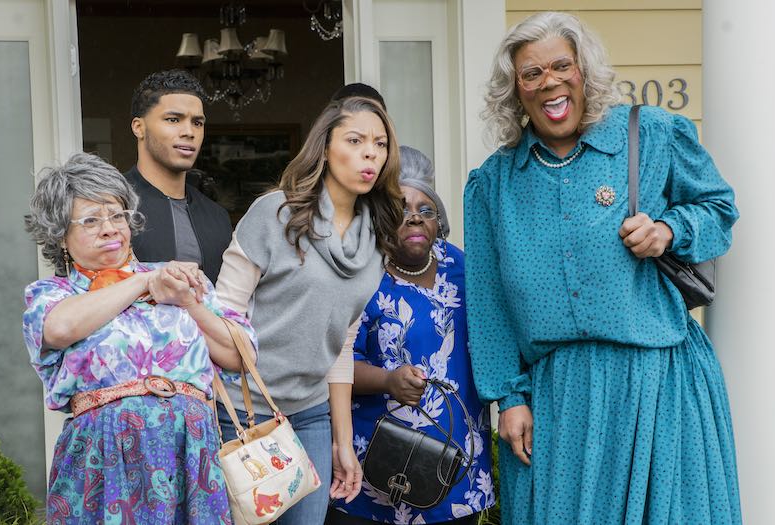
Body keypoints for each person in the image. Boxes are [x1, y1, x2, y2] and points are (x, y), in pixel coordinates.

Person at [465, 12, 741, 525]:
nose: (549, 81)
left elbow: (719, 209)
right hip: (556, 400)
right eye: (531, 73)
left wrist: (668, 231)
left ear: (584, 71)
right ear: (514, 90)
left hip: (657, 382)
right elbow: (487, 301)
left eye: (561, 65)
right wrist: (509, 396)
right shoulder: (494, 185)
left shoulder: (653, 134)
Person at [22, 152, 256, 524]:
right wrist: (142, 281)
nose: (110, 228)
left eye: (117, 215)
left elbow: (240, 355)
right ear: (60, 236)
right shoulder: (54, 294)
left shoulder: (179, 278)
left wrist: (188, 303)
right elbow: (61, 329)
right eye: (91, 220)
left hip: (189, 454)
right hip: (104, 459)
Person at [214, 96, 404, 524]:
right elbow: (223, 312)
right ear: (324, 148)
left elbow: (342, 342)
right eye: (355, 140)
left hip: (311, 413)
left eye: (380, 143)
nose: (370, 152)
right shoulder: (275, 212)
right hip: (243, 412)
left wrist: (343, 440)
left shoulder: (376, 237)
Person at [326, 146, 494, 525]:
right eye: (401, 209)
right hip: (375, 468)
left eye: (426, 209)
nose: (414, 219)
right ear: (380, 216)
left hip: (457, 464)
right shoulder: (358, 271)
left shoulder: (461, 265)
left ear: (439, 219)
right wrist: (387, 379)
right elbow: (331, 358)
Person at [124, 69, 232, 283]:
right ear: (139, 127)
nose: (189, 132)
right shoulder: (112, 207)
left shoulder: (217, 216)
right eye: (173, 120)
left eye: (197, 123)